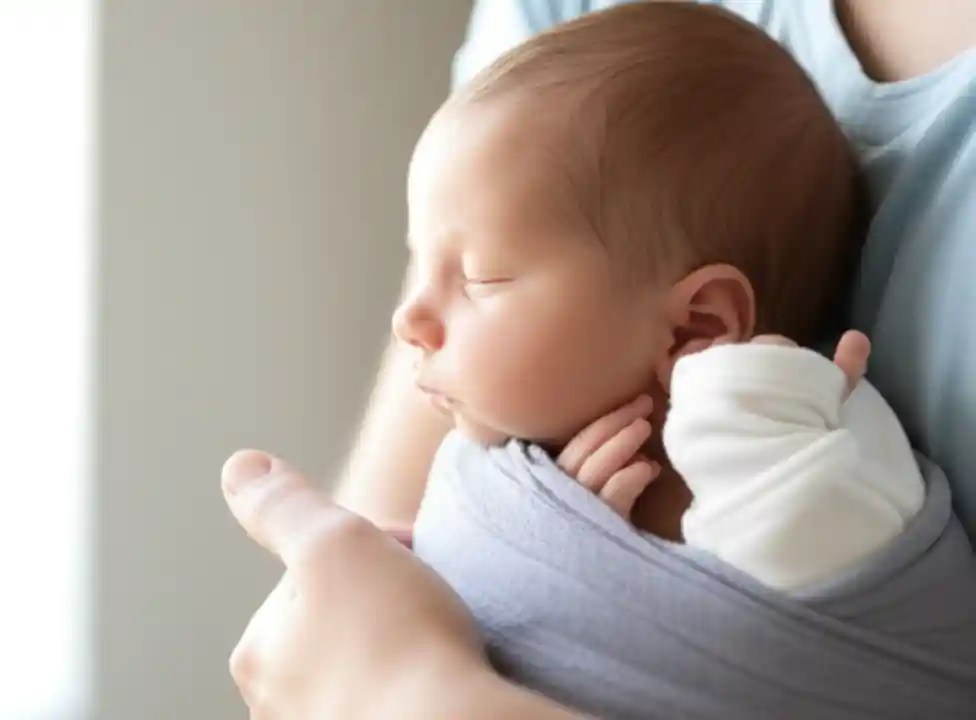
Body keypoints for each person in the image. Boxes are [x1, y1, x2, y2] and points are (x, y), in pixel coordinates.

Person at [223, 0, 976, 717]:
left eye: (479, 279)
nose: (409, 319)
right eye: (419, 264)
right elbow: (343, 640)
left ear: (696, 333)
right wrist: (565, 536)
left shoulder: (806, 473)